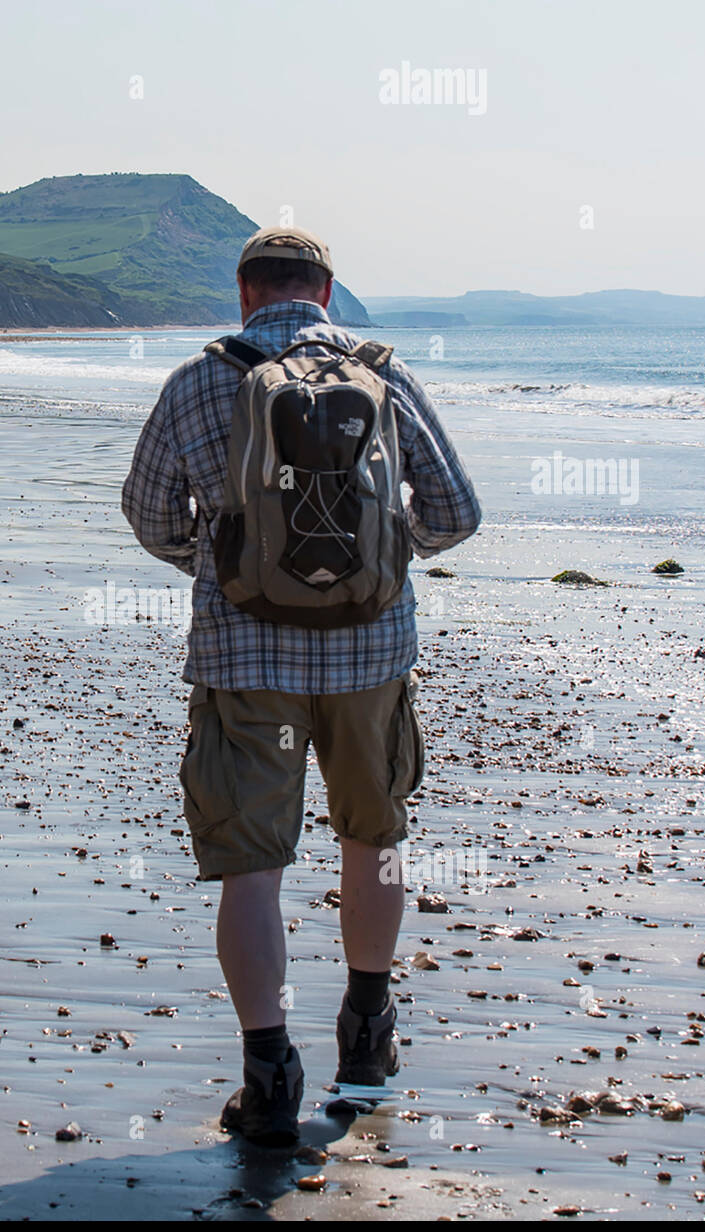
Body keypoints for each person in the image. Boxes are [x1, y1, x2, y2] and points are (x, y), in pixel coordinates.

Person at [121, 225, 482, 1147]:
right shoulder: (385, 376)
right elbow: (455, 513)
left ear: (245, 292)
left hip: (244, 662)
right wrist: (382, 558)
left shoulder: (198, 380)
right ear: (325, 291)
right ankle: (366, 1041)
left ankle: (270, 1079)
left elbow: (150, 515)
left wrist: (227, 567)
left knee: (252, 868)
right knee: (374, 840)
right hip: (371, 655)